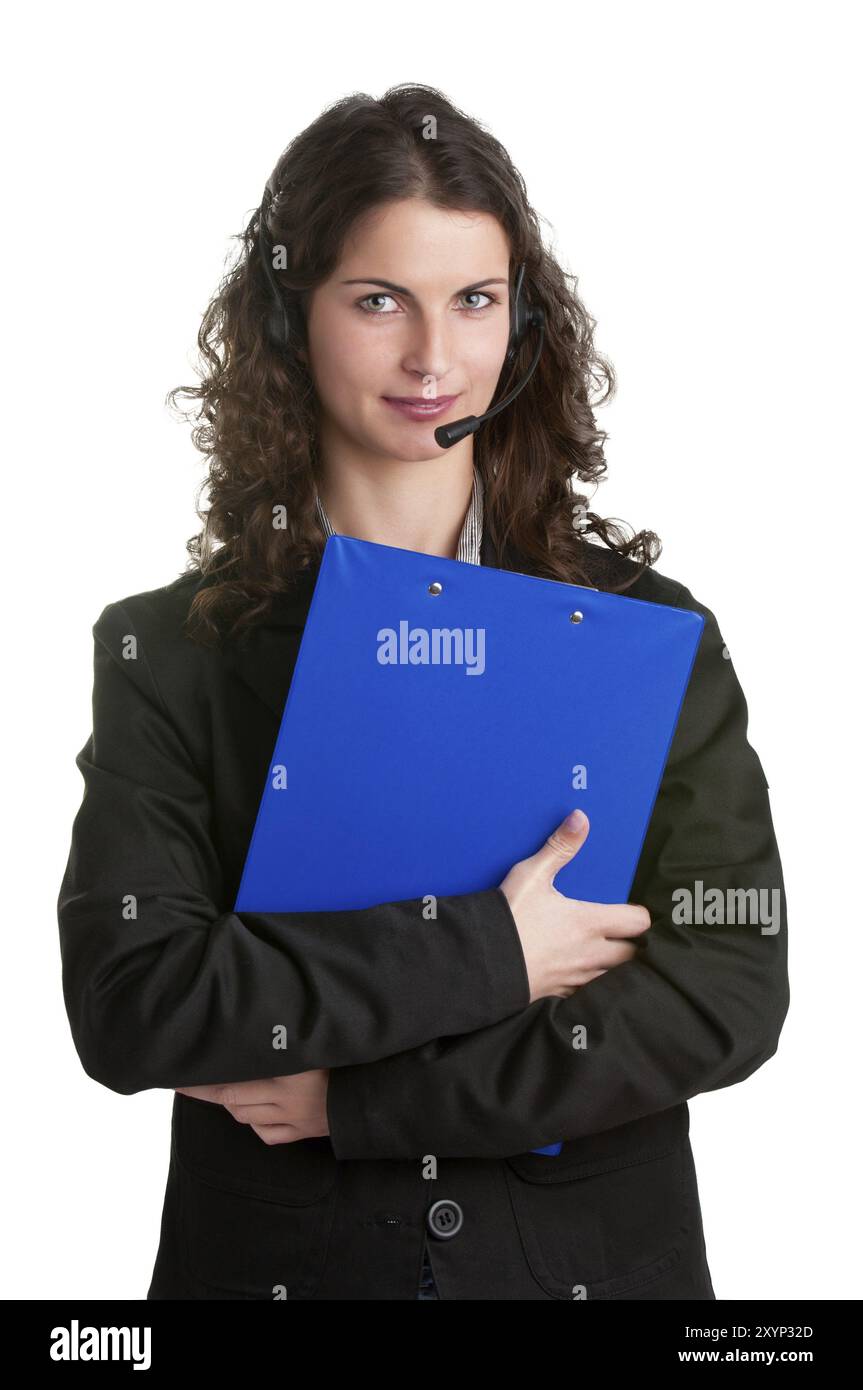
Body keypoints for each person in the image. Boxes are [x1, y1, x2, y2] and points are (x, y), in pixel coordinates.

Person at [56, 84, 789, 1301]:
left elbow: (729, 988)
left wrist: (364, 1100)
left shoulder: (648, 636)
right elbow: (136, 1002)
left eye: (475, 301)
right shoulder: (169, 653)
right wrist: (498, 949)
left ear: (521, 325)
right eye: (378, 299)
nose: (433, 359)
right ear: (292, 320)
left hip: (586, 1270)